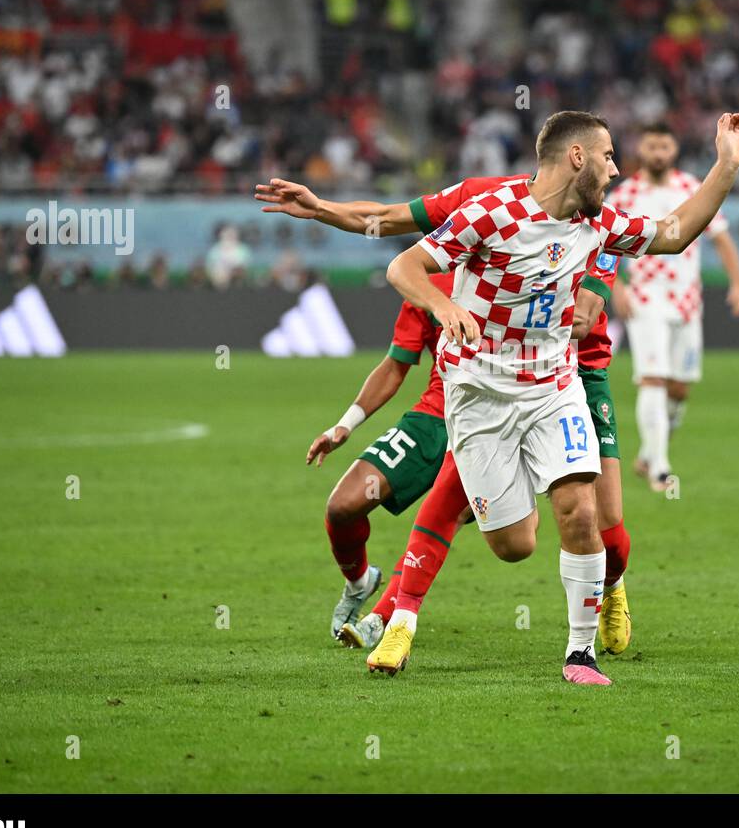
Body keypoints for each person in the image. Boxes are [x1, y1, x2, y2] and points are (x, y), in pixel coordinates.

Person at [381, 110, 739, 685]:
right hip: (479, 394)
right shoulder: (492, 213)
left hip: (555, 388)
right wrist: (445, 306)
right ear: (578, 158)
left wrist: (726, 164)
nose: (616, 168)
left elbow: (675, 234)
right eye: (608, 157)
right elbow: (405, 265)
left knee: (581, 509)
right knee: (513, 545)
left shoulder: (598, 224)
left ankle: (580, 655)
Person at [254, 174, 636, 659]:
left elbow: (600, 290)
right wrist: (323, 208)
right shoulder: (473, 202)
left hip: (575, 372)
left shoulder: (589, 208)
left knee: (605, 526)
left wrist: (582, 282)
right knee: (445, 506)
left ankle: (612, 587)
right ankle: (392, 620)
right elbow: (389, 219)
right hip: (482, 387)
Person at [307, 272, 461, 641]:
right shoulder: (429, 281)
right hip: (434, 420)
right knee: (342, 507)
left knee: (448, 516)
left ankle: (381, 618)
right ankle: (360, 582)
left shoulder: (524, 265)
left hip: (497, 426)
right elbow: (396, 365)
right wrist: (345, 425)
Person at [606, 122, 739, 491]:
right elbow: (600, 245)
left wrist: (737, 283)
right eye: (651, 145)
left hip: (687, 299)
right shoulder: (624, 195)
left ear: (674, 149)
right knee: (652, 378)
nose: (657, 152)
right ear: (641, 149)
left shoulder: (692, 188)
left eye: (664, 145)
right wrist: (617, 287)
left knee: (679, 389)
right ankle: (660, 468)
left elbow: (721, 238)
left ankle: (651, 452)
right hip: (645, 296)